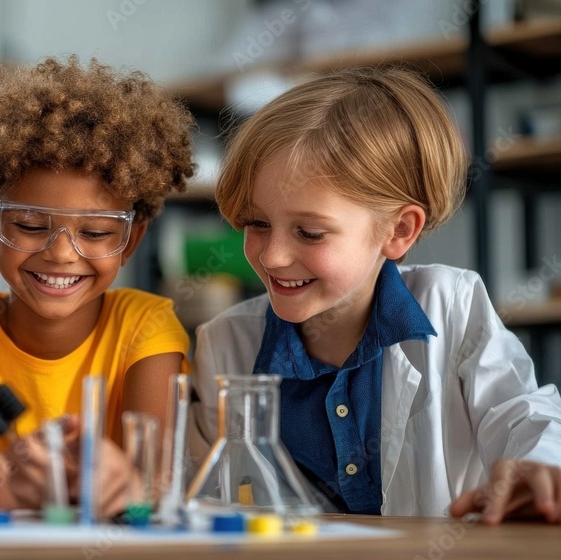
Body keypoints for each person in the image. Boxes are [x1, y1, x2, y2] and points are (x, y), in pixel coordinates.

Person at [193, 67, 561, 523]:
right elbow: (214, 498)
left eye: (309, 232)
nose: (272, 256)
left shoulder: (452, 304)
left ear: (398, 231)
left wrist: (539, 463)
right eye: (257, 223)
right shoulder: (226, 343)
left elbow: (524, 413)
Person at [0, 56, 196, 515]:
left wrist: (124, 480)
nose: (62, 254)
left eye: (96, 233)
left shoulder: (146, 325)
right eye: (29, 225)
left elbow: (154, 479)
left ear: (129, 240)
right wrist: (29, 479)